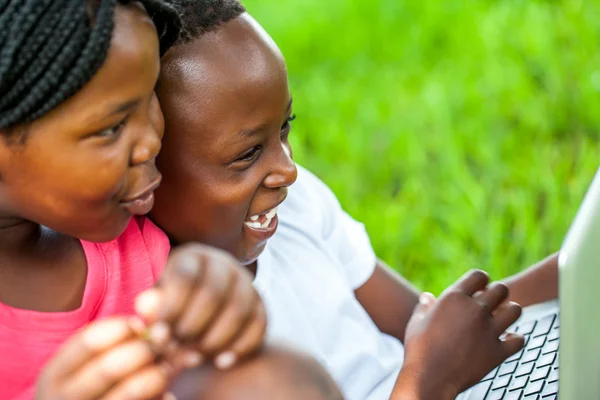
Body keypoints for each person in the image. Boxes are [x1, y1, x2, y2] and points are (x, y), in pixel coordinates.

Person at [150, 1, 558, 398]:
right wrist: (429, 382)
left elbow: (428, 326)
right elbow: (433, 364)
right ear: (146, 169)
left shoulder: (297, 205)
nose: (288, 169)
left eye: (284, 128)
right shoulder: (177, 332)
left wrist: (570, 272)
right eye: (247, 154)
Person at [0, 2, 268, 399]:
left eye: (150, 98)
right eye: (111, 127)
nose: (151, 141)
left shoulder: (134, 249)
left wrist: (214, 282)